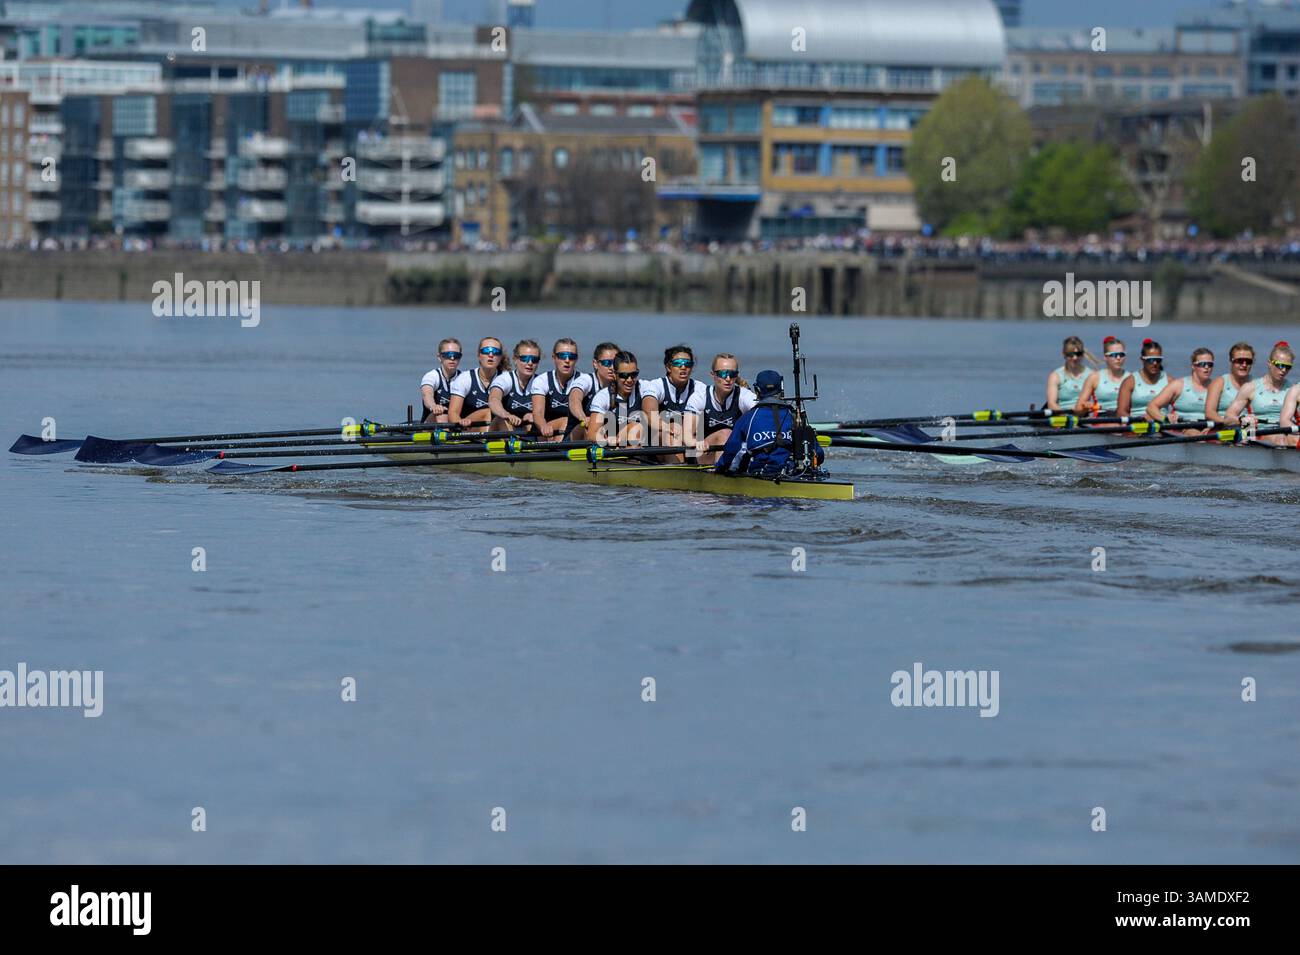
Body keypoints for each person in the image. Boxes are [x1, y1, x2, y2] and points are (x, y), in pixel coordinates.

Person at [715, 370, 824, 476]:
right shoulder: (794, 416)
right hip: (790, 472)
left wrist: (719, 470)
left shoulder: (747, 418)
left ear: (757, 390)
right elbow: (819, 454)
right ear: (781, 389)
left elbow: (730, 451)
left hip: (760, 472)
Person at [685, 353, 757, 465]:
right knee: (725, 434)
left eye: (732, 374)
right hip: (703, 453)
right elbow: (687, 435)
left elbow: (763, 413)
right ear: (713, 375)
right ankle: (721, 474)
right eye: (723, 374)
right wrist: (696, 441)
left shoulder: (744, 396)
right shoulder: (700, 397)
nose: (728, 379)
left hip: (734, 452)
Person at [1223, 341, 1295, 445]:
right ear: (1269, 363)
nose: (1283, 370)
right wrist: (1241, 419)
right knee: (1281, 440)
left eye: (1288, 367)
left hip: (1285, 432)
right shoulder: (1250, 387)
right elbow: (1228, 417)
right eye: (1280, 365)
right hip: (1257, 432)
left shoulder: (1294, 390)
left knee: (1285, 438)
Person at [642, 344, 707, 449]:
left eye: (688, 364)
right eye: (678, 363)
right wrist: (667, 427)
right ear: (668, 367)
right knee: (672, 436)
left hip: (689, 438)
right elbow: (649, 414)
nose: (683, 367)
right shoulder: (656, 386)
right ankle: (678, 464)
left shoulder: (700, 388)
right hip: (661, 439)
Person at [587, 350, 649, 447]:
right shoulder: (603, 397)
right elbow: (592, 434)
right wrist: (607, 440)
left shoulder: (645, 388)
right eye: (623, 375)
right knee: (636, 428)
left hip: (638, 443)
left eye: (634, 375)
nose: (629, 380)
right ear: (615, 375)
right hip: (613, 448)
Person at [1144, 347, 1214, 432]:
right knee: (1194, 433)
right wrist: (1165, 419)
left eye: (1210, 364)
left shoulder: (1215, 386)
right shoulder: (1178, 385)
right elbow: (1151, 406)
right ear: (1193, 366)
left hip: (1208, 428)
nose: (1207, 367)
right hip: (1183, 428)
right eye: (1202, 364)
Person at [447, 336, 508, 432]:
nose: (491, 355)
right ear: (479, 355)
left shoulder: (506, 378)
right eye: (486, 351)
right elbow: (452, 413)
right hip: (467, 428)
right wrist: (460, 421)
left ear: (500, 357)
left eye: (496, 352)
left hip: (498, 426)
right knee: (488, 412)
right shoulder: (465, 379)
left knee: (499, 418)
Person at [529, 338, 582, 441]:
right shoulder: (542, 380)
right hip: (543, 432)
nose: (567, 360)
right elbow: (538, 413)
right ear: (554, 357)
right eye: (562, 356)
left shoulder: (583, 380)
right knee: (566, 421)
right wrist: (543, 426)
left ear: (576, 359)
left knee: (567, 422)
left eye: (572, 357)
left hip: (571, 432)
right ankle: (560, 452)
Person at [568, 342, 621, 442]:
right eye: (607, 363)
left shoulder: (623, 385)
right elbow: (574, 399)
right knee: (589, 426)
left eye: (615, 363)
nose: (612, 368)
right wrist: (582, 417)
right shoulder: (586, 380)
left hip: (605, 438)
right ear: (595, 364)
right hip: (576, 437)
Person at [488, 339, 541, 432]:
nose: (530, 363)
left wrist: (535, 416)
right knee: (501, 419)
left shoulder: (541, 382)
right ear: (515, 359)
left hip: (527, 429)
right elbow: (493, 400)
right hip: (503, 428)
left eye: (534, 359)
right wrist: (507, 415)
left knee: (535, 419)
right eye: (524, 358)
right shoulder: (504, 379)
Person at [1074, 336, 1129, 416]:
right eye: (1114, 355)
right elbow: (1078, 409)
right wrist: (1085, 407)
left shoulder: (1131, 378)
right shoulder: (1094, 378)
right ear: (1105, 357)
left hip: (1123, 422)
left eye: (1121, 354)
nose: (1118, 358)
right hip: (1101, 422)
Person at [1204, 341, 1255, 426]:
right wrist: (1226, 422)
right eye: (1240, 361)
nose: (1244, 365)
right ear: (1231, 361)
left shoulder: (1256, 383)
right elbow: (1209, 413)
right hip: (1223, 426)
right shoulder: (1219, 383)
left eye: (1248, 361)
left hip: (1249, 426)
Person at [1117, 338, 1168, 418]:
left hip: (1163, 423)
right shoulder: (1130, 382)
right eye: (1150, 360)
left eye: (1158, 360)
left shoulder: (1170, 381)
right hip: (1137, 425)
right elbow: (1121, 412)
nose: (1154, 363)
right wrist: (1140, 420)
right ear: (1142, 360)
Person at [419, 338, 462, 424]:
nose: (452, 358)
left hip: (456, 422)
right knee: (442, 416)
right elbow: (427, 394)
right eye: (448, 355)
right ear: (439, 357)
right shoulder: (432, 376)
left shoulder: (464, 378)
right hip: (431, 423)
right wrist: (433, 406)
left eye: (456, 355)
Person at [1045, 336, 1092, 412]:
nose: (1075, 358)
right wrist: (1067, 416)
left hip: (1084, 416)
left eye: (1078, 354)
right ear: (1064, 354)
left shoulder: (1091, 375)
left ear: (1082, 354)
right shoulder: (1055, 376)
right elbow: (1051, 404)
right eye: (1070, 354)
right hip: (1062, 417)